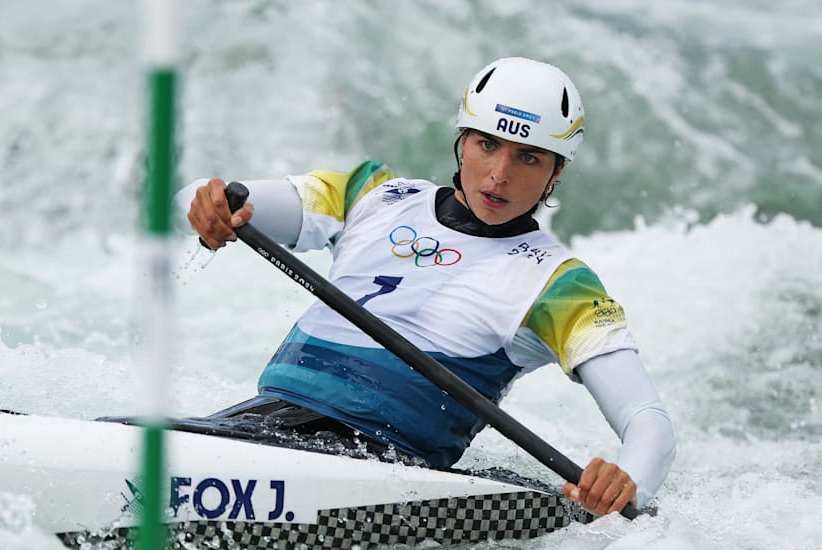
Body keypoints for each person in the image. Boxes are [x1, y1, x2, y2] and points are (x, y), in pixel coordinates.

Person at [176, 57, 675, 517]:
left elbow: (646, 419)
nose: (499, 175)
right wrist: (208, 208)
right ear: (463, 141)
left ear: (556, 172)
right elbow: (199, 197)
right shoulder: (371, 194)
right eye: (487, 145)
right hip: (261, 424)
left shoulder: (560, 285)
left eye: (528, 158)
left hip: (383, 475)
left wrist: (627, 481)